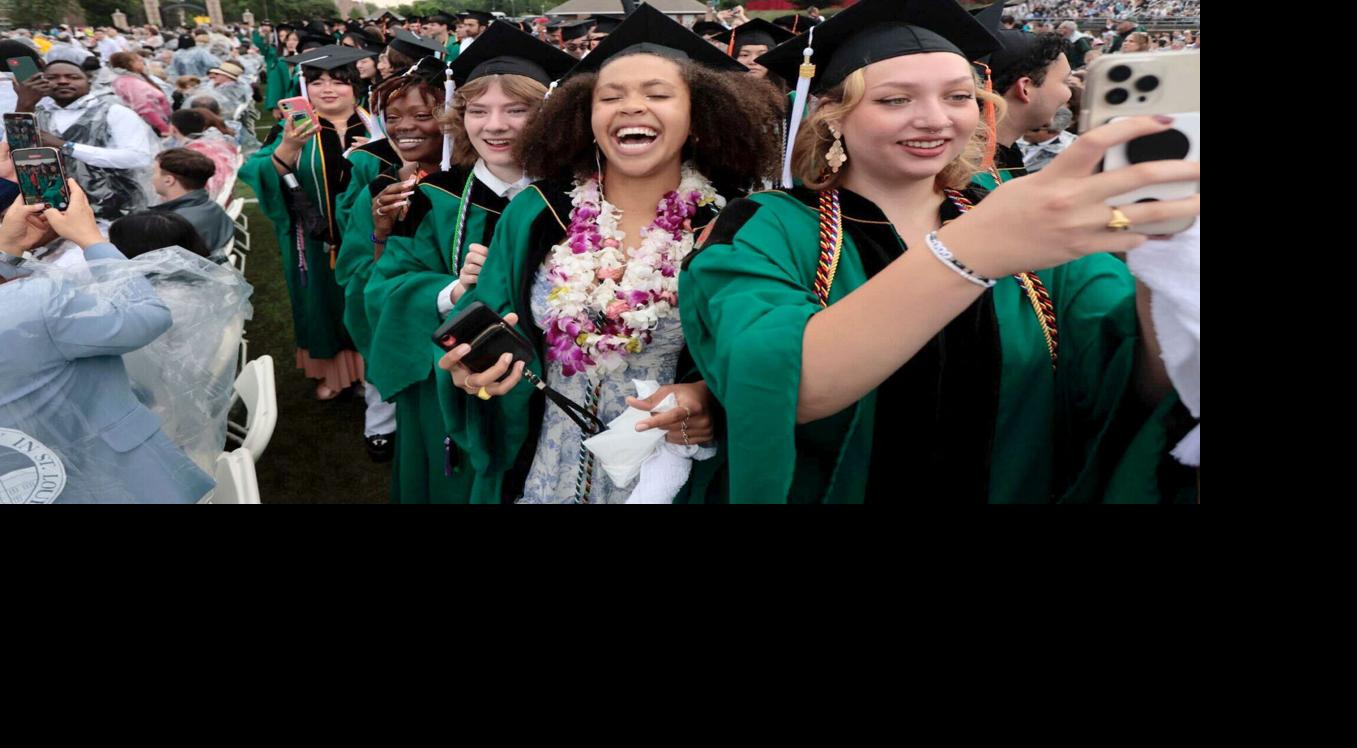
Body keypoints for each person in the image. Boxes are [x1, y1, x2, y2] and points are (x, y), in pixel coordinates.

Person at [680, 0, 1199, 503]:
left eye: (957, 96)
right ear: (833, 115)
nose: (935, 119)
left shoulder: (1021, 216)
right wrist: (971, 252)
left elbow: (1136, 381)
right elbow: (779, 385)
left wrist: (1163, 260)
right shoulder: (766, 227)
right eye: (895, 100)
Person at [430, 9, 784, 504]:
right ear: (586, 117)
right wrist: (475, 374)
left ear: (699, 116)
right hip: (544, 463)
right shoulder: (536, 213)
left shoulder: (734, 225)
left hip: (668, 469)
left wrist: (710, 398)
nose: (632, 107)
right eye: (611, 97)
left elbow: (765, 359)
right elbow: (486, 323)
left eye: (658, 95)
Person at [362, 24, 569, 500]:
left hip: (551, 389)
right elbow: (384, 290)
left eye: (516, 109)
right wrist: (452, 291)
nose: (494, 126)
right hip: (451, 383)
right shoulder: (432, 198)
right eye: (478, 110)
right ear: (460, 115)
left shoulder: (573, 198)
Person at [0, 180, 215, 504]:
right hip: (117, 475)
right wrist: (92, 240)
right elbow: (149, 316)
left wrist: (7, 253)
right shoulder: (34, 302)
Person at [237, 44, 377, 404]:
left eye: (339, 81)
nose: (328, 89)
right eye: (317, 82)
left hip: (371, 242)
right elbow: (256, 171)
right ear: (305, 87)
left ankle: (372, 373)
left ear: (355, 86)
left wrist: (377, 152)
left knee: (368, 304)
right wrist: (287, 147)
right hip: (314, 243)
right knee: (322, 306)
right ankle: (336, 373)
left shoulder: (376, 124)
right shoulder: (294, 128)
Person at [331, 55, 449, 465]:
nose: (404, 127)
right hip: (397, 326)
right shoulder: (381, 188)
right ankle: (381, 423)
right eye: (393, 117)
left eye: (422, 115)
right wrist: (381, 232)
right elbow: (357, 269)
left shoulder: (477, 189)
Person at [22, 60, 156, 221]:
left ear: (89, 82)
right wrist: (24, 104)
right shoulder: (36, 114)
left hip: (114, 213)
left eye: (73, 77)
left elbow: (138, 157)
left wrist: (65, 146)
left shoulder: (115, 112)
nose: (63, 81)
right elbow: (20, 159)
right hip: (54, 213)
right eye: (52, 77)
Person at [971, 3, 1070, 189]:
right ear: (1025, 88)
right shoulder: (966, 181)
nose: (1069, 94)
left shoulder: (1001, 160)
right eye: (1065, 81)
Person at [145, 147, 234, 257]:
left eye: (154, 173)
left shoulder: (172, 226)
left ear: (168, 180)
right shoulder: (212, 207)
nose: (152, 178)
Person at [167, 108, 241, 200]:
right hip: (220, 196)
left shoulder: (187, 157)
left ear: (173, 129)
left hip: (202, 201)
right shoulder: (217, 144)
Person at [107, 52, 173, 136]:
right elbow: (145, 110)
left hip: (158, 123)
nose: (142, 62)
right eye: (139, 60)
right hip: (156, 127)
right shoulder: (130, 82)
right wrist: (164, 129)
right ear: (130, 63)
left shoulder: (131, 79)